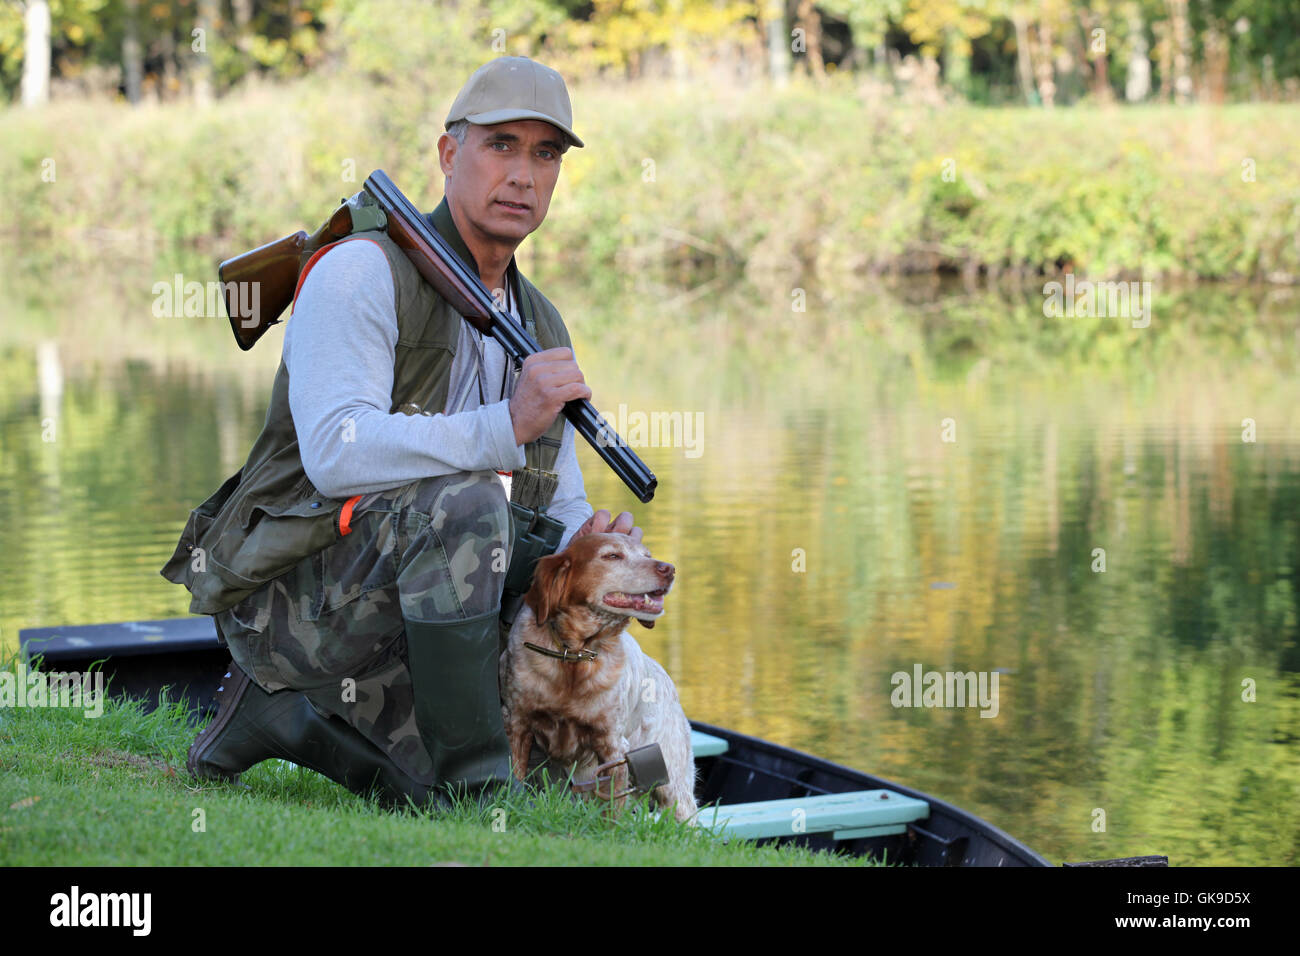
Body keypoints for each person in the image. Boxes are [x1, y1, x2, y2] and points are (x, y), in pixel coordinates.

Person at [160, 56, 642, 809]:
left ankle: (278, 715)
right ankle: (476, 791)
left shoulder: (539, 321)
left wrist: (596, 550)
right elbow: (333, 454)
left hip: (411, 599)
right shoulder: (360, 270)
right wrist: (501, 426)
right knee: (471, 505)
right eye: (502, 145)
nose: (524, 174)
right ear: (451, 155)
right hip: (297, 600)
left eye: (545, 153)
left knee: (559, 767)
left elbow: (561, 502)